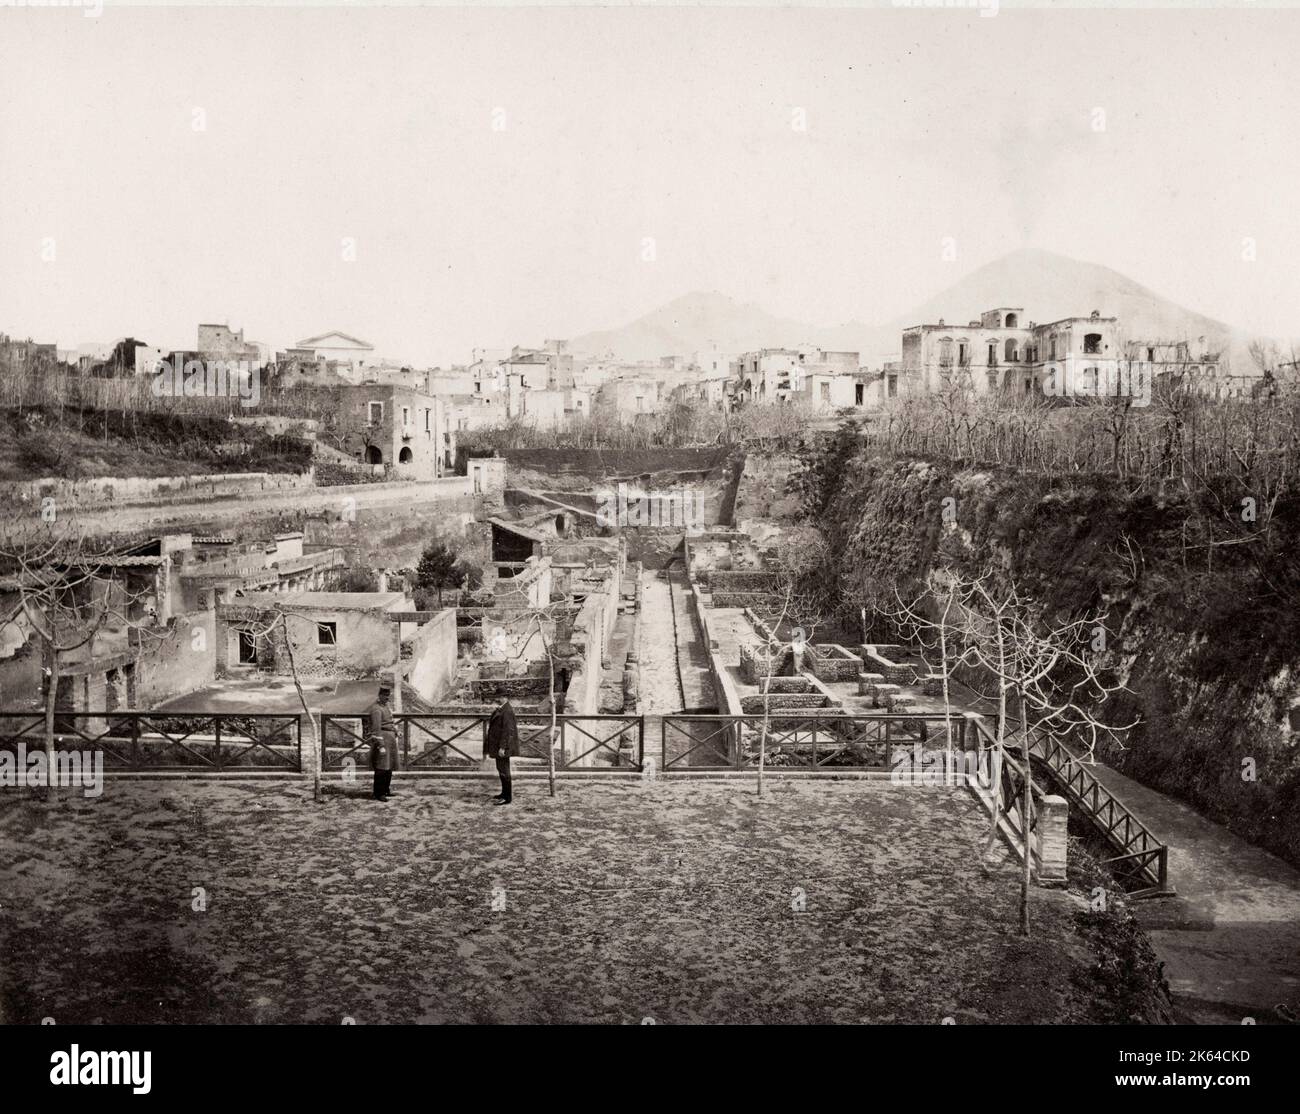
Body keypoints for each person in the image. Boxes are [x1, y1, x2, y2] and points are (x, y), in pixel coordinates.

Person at [365, 683, 398, 801]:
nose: (387, 698)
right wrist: (381, 745)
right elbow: (376, 729)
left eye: (388, 696)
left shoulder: (386, 707)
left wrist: (395, 730)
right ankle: (378, 793)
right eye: (385, 696)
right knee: (381, 768)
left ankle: (386, 789)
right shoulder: (376, 709)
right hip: (383, 740)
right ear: (379, 696)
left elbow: (389, 722)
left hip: (391, 740)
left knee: (388, 767)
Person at [484, 697, 519, 805]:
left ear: (504, 697)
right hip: (499, 746)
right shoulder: (503, 708)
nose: (497, 698)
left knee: (504, 771)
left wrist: (503, 747)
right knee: (501, 769)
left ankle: (507, 797)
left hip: (503, 747)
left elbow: (508, 731)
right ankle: (504, 793)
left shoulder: (507, 711)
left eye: (499, 697)